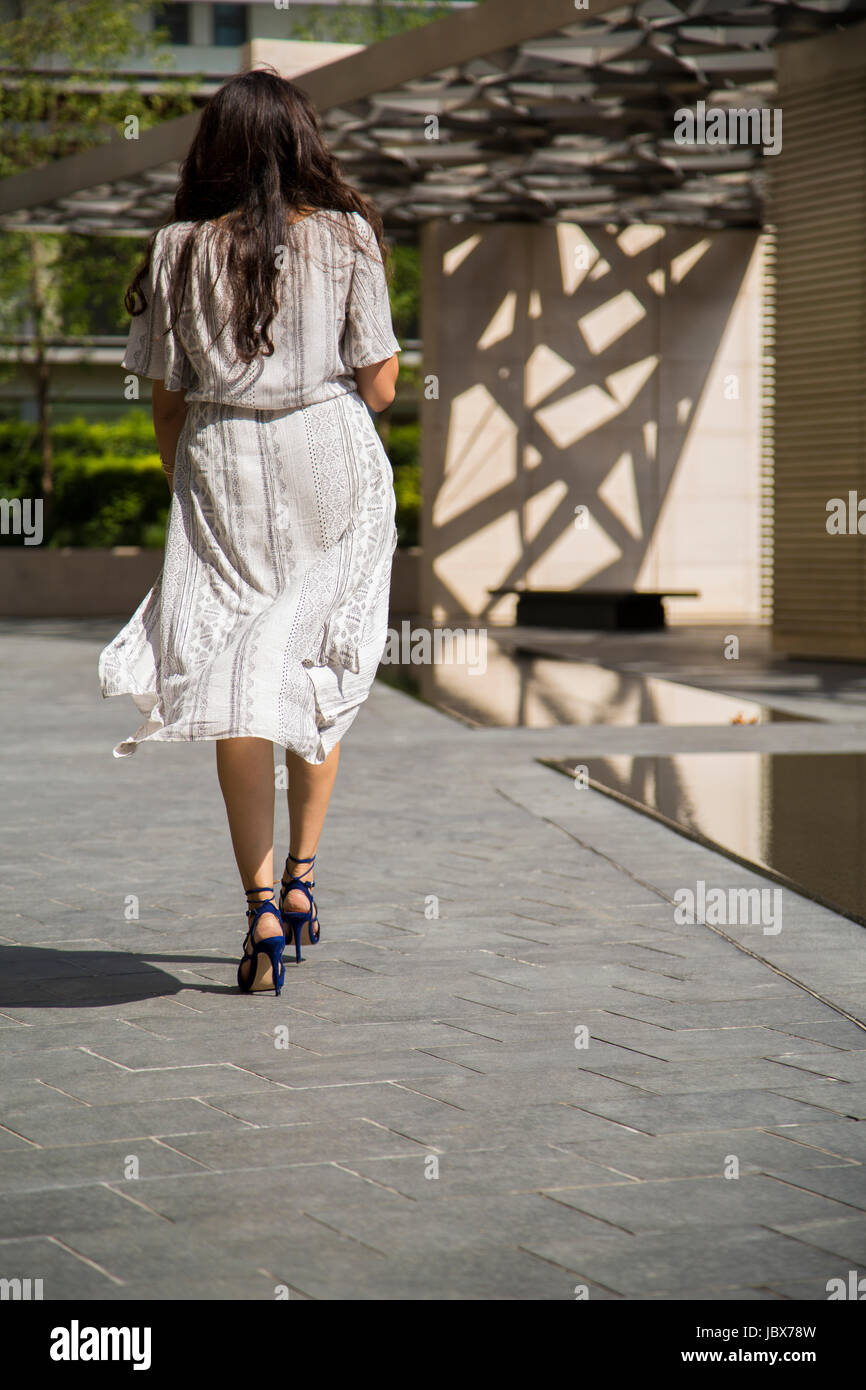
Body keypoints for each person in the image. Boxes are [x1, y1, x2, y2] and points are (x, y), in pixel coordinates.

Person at [98, 68, 401, 998]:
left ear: (213, 151)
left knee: (236, 678)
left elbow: (164, 398)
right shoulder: (348, 236)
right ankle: (306, 881)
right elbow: (383, 383)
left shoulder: (175, 248)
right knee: (315, 667)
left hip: (219, 462)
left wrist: (183, 473)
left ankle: (261, 905)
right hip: (330, 458)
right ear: (302, 142)